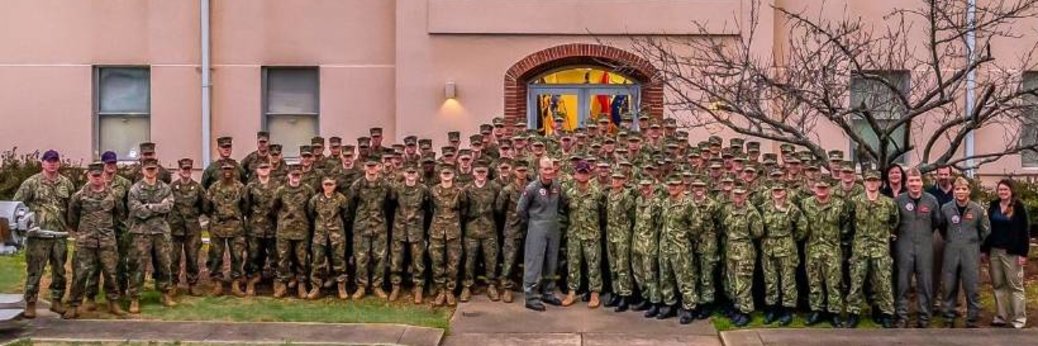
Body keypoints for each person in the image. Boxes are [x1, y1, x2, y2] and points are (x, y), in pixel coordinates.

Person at [15, 150, 74, 318]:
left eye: (55, 160)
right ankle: (31, 303)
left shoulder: (66, 184)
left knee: (60, 271)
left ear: (59, 163)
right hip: (38, 236)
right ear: (43, 163)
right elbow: (17, 204)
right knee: (35, 270)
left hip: (59, 235)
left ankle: (56, 301)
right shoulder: (31, 183)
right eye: (49, 161)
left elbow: (72, 208)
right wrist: (23, 226)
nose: (52, 163)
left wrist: (72, 227)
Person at [63, 163, 126, 319]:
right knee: (80, 274)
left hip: (107, 241)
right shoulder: (79, 196)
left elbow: (119, 216)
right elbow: (72, 218)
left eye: (100, 175)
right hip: (85, 240)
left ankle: (113, 302)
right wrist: (83, 232)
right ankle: (74, 304)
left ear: (104, 176)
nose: (97, 179)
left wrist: (111, 233)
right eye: (94, 176)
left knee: (111, 273)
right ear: (88, 176)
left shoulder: (113, 195)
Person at [845, 169, 898, 328]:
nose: (872, 183)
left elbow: (894, 222)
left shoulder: (888, 203)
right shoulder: (855, 202)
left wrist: (885, 235)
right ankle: (853, 313)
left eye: (875, 180)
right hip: (860, 247)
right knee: (856, 281)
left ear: (880, 183)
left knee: (883, 282)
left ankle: (886, 313)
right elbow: (849, 222)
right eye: (869, 180)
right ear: (865, 182)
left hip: (880, 247)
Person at [126, 158, 177, 313]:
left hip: (161, 232)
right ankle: (135, 298)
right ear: (142, 170)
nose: (151, 172)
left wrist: (149, 206)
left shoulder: (165, 188)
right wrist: (158, 207)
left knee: (164, 264)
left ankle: (165, 293)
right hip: (141, 233)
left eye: (153, 169)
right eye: (148, 169)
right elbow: (137, 211)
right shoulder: (135, 189)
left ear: (157, 170)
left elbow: (168, 206)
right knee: (138, 265)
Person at [893, 168, 942, 328]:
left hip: (925, 245)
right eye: (911, 181)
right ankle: (901, 316)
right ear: (906, 183)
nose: (914, 184)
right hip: (904, 245)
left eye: (917, 181)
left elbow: (936, 222)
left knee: (925, 282)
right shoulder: (899, 200)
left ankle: (924, 317)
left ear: (922, 183)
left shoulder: (931, 200)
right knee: (902, 283)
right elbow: (894, 222)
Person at [938, 177, 990, 328]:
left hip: (970, 251)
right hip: (951, 250)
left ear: (969, 191)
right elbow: (942, 228)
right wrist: (951, 240)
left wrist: (975, 243)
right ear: (953, 191)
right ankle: (948, 317)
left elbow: (985, 230)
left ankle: (972, 318)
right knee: (948, 285)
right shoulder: (946, 208)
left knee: (972, 286)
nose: (960, 192)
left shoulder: (978, 209)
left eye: (964, 189)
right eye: (957, 189)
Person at [518, 156, 567, 311]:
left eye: (551, 169)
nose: (548, 172)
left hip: (553, 229)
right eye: (545, 169)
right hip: (536, 228)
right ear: (539, 170)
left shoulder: (557, 187)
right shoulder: (531, 188)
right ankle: (531, 296)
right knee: (534, 262)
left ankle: (548, 292)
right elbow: (520, 210)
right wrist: (533, 222)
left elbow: (561, 205)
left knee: (551, 261)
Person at [801, 180, 850, 327]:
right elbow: (800, 224)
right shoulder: (805, 204)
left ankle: (834, 312)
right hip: (813, 248)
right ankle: (817, 310)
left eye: (824, 187)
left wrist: (837, 241)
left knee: (833, 282)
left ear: (830, 188)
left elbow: (846, 225)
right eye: (819, 187)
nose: (821, 189)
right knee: (814, 282)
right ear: (813, 187)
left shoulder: (839, 204)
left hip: (832, 249)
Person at [983, 179, 1031, 328]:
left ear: (1011, 191)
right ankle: (1001, 316)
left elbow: (1024, 231)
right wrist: (984, 250)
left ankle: (1019, 319)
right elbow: (987, 230)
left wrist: (1023, 253)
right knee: (998, 285)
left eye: (1005, 190)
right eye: (1000, 190)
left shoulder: (1018, 207)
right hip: (994, 252)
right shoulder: (993, 206)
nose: (1002, 192)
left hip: (1012, 252)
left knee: (1015, 286)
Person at [759, 181, 806, 326]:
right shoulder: (764, 208)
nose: (777, 192)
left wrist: (790, 239)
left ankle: (787, 310)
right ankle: (772, 309)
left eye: (780, 190)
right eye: (775, 190)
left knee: (788, 281)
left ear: (786, 192)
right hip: (769, 250)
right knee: (770, 280)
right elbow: (758, 226)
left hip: (787, 250)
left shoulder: (792, 209)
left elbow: (802, 227)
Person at [718, 182, 763, 327]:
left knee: (743, 281)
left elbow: (758, 232)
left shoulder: (751, 212)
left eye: (741, 194)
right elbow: (724, 226)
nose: (738, 197)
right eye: (735, 194)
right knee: (731, 280)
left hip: (745, 250)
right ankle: (736, 307)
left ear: (746, 194)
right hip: (730, 248)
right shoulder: (728, 209)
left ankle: (746, 311)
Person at [560, 160, 604, 309]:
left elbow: (603, 214)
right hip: (574, 235)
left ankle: (594, 293)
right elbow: (564, 213)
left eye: (585, 172)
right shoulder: (569, 194)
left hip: (591, 235)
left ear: (589, 174)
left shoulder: (597, 193)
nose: (582, 175)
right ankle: (572, 291)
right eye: (580, 172)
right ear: (575, 174)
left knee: (594, 265)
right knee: (573, 264)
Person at [347, 159, 393, 300]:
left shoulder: (385, 185)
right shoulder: (357, 185)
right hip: (362, 226)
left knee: (380, 257)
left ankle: (377, 286)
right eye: (369, 166)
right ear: (364, 167)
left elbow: (389, 206)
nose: (371, 168)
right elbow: (351, 206)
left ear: (379, 167)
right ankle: (361, 286)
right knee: (361, 257)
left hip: (379, 226)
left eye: (374, 166)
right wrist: (361, 219)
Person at [389, 163, 430, 303]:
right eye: (409, 172)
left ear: (417, 175)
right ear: (404, 174)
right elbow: (391, 205)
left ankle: (418, 287)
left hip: (416, 230)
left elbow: (428, 208)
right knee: (396, 260)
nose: (411, 175)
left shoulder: (423, 190)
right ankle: (396, 286)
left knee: (418, 261)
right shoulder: (397, 189)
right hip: (399, 229)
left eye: (414, 172)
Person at [461, 161, 501, 302]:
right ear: (473, 173)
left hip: (489, 229)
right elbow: (463, 211)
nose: (481, 175)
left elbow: (499, 209)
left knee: (491, 259)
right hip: (471, 230)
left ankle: (491, 285)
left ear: (487, 173)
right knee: (469, 261)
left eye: (483, 172)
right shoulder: (466, 189)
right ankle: (467, 285)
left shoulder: (495, 188)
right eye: (478, 172)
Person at [307, 176, 349, 299]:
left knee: (339, 262)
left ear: (335, 186)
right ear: (322, 185)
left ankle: (341, 286)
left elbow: (346, 216)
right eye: (326, 184)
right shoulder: (315, 200)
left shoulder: (341, 199)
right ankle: (316, 287)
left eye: (331, 184)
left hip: (337, 235)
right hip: (320, 236)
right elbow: (311, 214)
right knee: (317, 262)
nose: (328, 187)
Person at [168, 158, 206, 296]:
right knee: (173, 258)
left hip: (192, 229)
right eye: (184, 169)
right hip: (175, 228)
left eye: (188, 169)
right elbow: (167, 206)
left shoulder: (197, 188)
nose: (186, 172)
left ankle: (193, 284)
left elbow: (204, 206)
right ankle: (172, 284)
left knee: (192, 257)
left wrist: (193, 216)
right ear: (179, 171)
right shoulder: (172, 188)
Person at [495, 159, 531, 303]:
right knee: (509, 259)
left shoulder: (532, 188)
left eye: (524, 170)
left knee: (528, 259)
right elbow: (499, 209)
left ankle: (526, 285)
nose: (522, 173)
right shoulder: (507, 190)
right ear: (514, 172)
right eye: (519, 170)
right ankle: (507, 287)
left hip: (529, 228)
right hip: (512, 228)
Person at [429, 165, 465, 306]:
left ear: (453, 175)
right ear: (440, 175)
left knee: (453, 263)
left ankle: (450, 290)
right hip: (437, 231)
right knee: (437, 261)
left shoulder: (460, 191)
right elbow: (430, 209)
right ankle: (440, 290)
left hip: (453, 231)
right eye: (444, 172)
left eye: (449, 173)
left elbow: (464, 210)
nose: (446, 175)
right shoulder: (433, 191)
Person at [243, 161, 279, 296]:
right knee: (253, 255)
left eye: (266, 167)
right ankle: (252, 280)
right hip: (255, 227)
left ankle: (277, 281)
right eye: (261, 168)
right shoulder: (251, 186)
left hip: (272, 227)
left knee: (275, 255)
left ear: (270, 169)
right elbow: (245, 207)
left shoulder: (277, 186)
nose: (264, 170)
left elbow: (280, 205)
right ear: (256, 170)